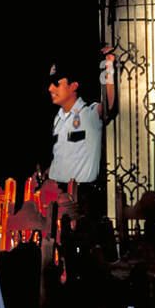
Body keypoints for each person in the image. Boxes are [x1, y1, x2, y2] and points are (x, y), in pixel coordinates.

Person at [46, 54, 115, 214]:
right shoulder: (58, 118)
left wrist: (108, 68)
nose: (50, 89)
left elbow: (108, 105)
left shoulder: (88, 113)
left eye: (56, 84)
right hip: (57, 195)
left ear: (73, 86)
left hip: (81, 198)